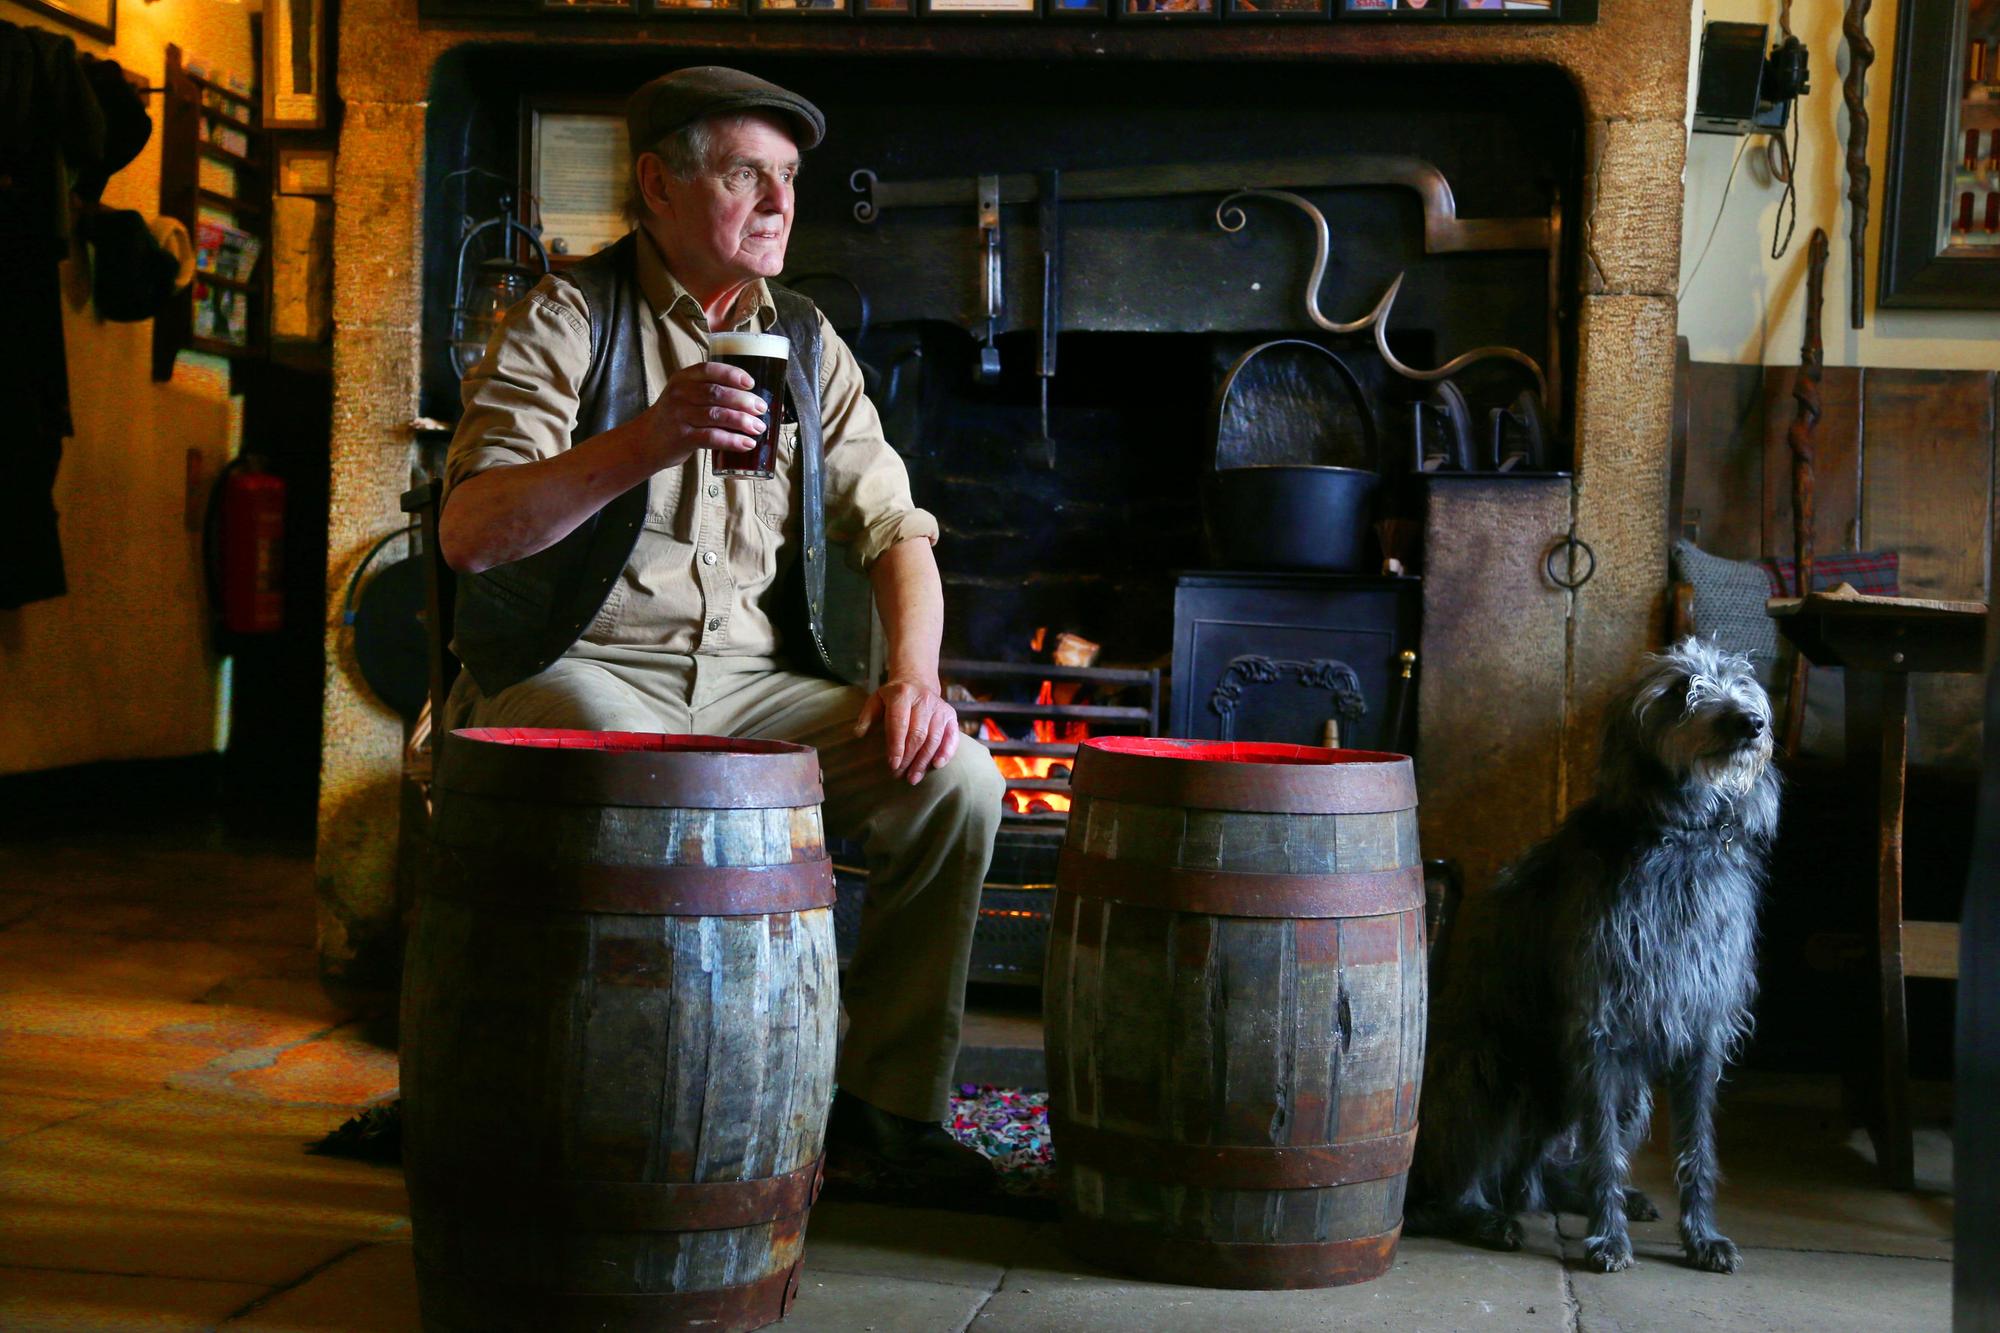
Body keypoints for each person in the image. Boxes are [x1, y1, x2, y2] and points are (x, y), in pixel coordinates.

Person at [437, 65, 1003, 1191]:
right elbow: (472, 533)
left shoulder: (806, 342)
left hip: (756, 689)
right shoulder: (564, 318)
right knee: (626, 770)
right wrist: (648, 437)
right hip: (582, 669)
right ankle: (610, 1096)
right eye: (748, 174)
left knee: (960, 782)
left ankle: (886, 1109)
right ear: (657, 184)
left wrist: (916, 680)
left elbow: (896, 528)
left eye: (789, 179)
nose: (781, 205)